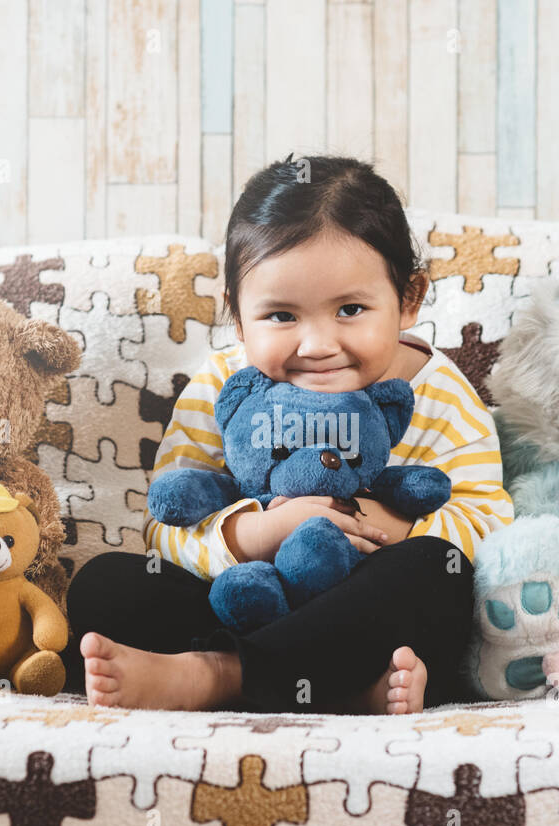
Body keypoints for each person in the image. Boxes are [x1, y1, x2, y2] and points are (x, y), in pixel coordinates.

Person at [60, 154, 513, 713]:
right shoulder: (224, 384)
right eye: (281, 316)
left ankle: (219, 676)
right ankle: (337, 689)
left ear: (409, 300)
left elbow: (488, 523)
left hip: (367, 615)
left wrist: (370, 526)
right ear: (237, 315)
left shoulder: (441, 393)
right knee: (106, 585)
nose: (318, 344)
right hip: (247, 597)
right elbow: (166, 525)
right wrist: (261, 533)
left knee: (436, 574)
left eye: (350, 309)